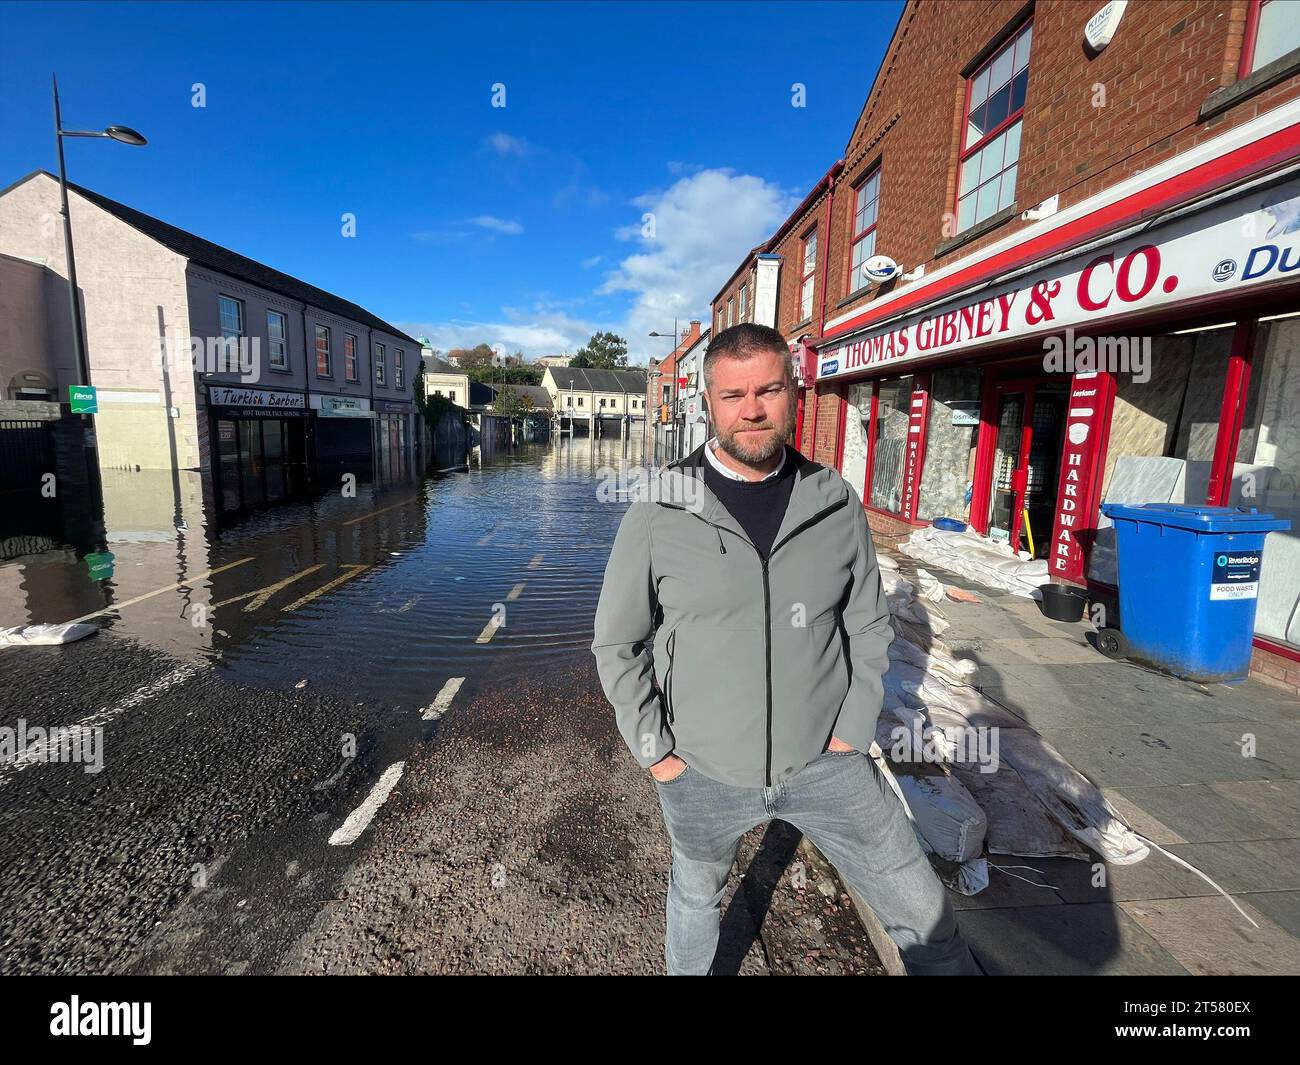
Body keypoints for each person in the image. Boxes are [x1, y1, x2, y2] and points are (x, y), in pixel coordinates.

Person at [592, 323, 979, 976]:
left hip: (827, 765)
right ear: (707, 402)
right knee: (695, 896)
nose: (751, 408)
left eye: (768, 388)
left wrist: (852, 729)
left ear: (793, 392)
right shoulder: (660, 508)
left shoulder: (834, 502)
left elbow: (867, 624)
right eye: (732, 394)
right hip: (702, 769)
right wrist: (658, 753)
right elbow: (617, 641)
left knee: (925, 912)